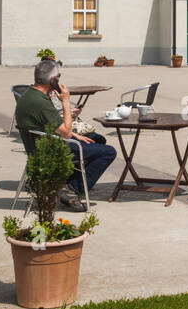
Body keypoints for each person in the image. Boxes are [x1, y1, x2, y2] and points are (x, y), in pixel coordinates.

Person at [14, 59, 116, 212]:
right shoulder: (40, 102)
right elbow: (66, 133)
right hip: (50, 150)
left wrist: (76, 135)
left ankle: (63, 181)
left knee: (96, 139)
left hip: (41, 143)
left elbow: (51, 124)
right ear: (53, 80)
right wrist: (66, 102)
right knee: (108, 152)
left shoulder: (30, 94)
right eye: (59, 77)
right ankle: (70, 189)